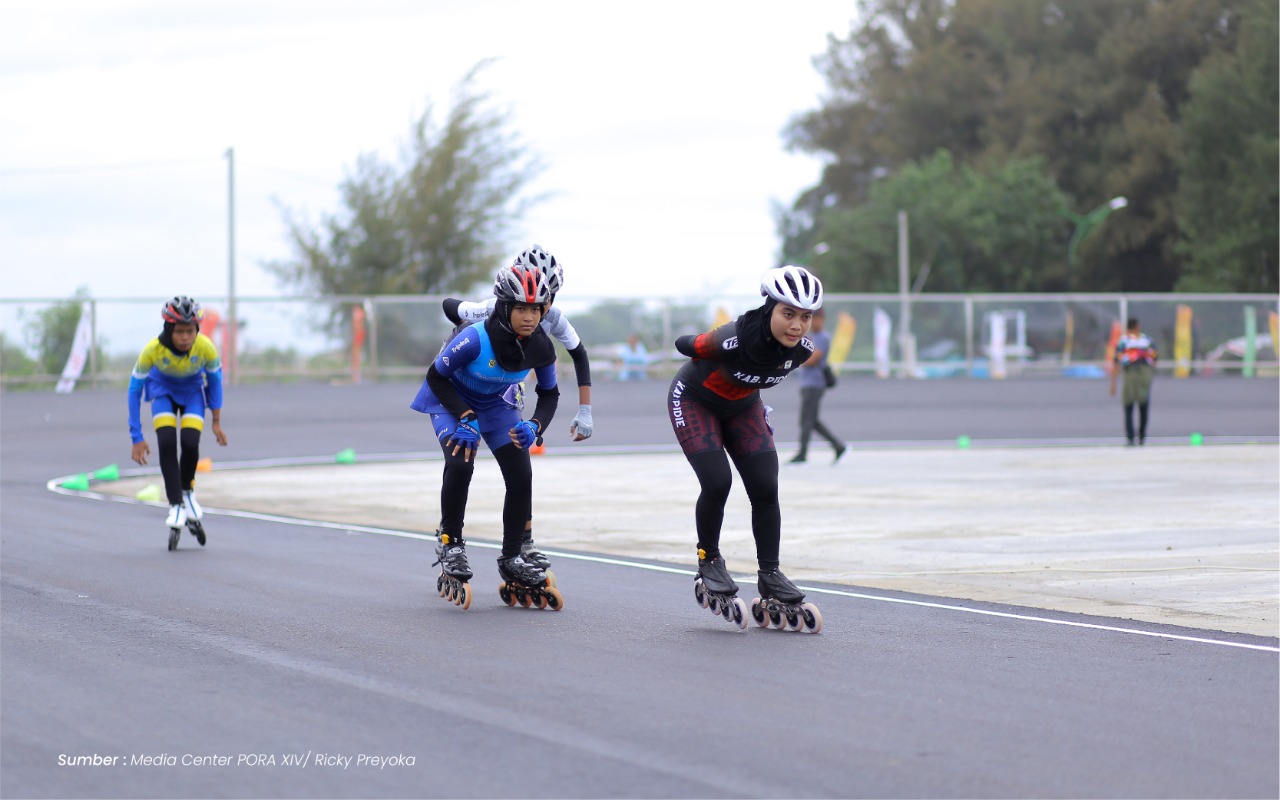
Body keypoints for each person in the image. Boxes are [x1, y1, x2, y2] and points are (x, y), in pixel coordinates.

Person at [666, 265, 824, 631]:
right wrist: (706, 344)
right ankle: (709, 560)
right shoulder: (733, 337)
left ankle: (770, 573)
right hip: (695, 401)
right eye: (788, 314)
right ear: (769, 309)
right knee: (718, 482)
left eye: (805, 316)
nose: (797, 325)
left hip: (742, 407)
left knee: (766, 487)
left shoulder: (801, 351)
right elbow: (683, 344)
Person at [414, 260, 561, 608]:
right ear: (505, 307)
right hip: (451, 400)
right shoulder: (474, 339)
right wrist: (465, 417)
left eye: (536, 309)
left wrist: (535, 425)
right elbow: (435, 377)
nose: (529, 317)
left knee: (520, 472)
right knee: (461, 462)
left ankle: (512, 556)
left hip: (496, 406)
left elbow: (550, 394)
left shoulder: (541, 346)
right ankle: (451, 542)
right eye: (522, 308)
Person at [442, 244, 591, 569]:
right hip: (479, 370)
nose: (540, 306)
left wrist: (584, 410)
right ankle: (453, 540)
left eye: (549, 296)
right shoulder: (490, 308)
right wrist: (458, 331)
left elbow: (578, 355)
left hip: (516, 375)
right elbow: (449, 306)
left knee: (520, 462)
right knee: (463, 462)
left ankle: (523, 540)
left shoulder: (552, 317)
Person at [127, 296, 228, 542]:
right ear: (169, 329)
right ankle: (175, 503)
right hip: (162, 392)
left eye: (190, 331)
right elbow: (134, 391)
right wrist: (136, 437)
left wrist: (215, 421)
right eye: (180, 332)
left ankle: (187, 491)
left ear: (197, 330)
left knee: (191, 442)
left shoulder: (206, 347)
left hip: (193, 393)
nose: (185, 337)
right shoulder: (152, 350)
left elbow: (215, 382)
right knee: (167, 441)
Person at [789, 307, 847, 464]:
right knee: (811, 420)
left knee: (807, 420)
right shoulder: (811, 336)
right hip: (807, 382)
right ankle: (838, 445)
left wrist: (798, 359)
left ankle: (802, 453)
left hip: (815, 383)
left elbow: (813, 359)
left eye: (815, 318)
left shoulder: (823, 337)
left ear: (822, 319)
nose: (813, 321)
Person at [1110, 317, 1157, 445]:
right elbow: (1154, 359)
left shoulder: (1131, 341)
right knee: (1134, 404)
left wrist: (1113, 383)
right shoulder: (1138, 341)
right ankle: (1136, 436)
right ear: (1137, 326)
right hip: (1137, 374)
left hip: (1135, 374)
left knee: (1135, 405)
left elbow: (1116, 362)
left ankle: (1135, 437)